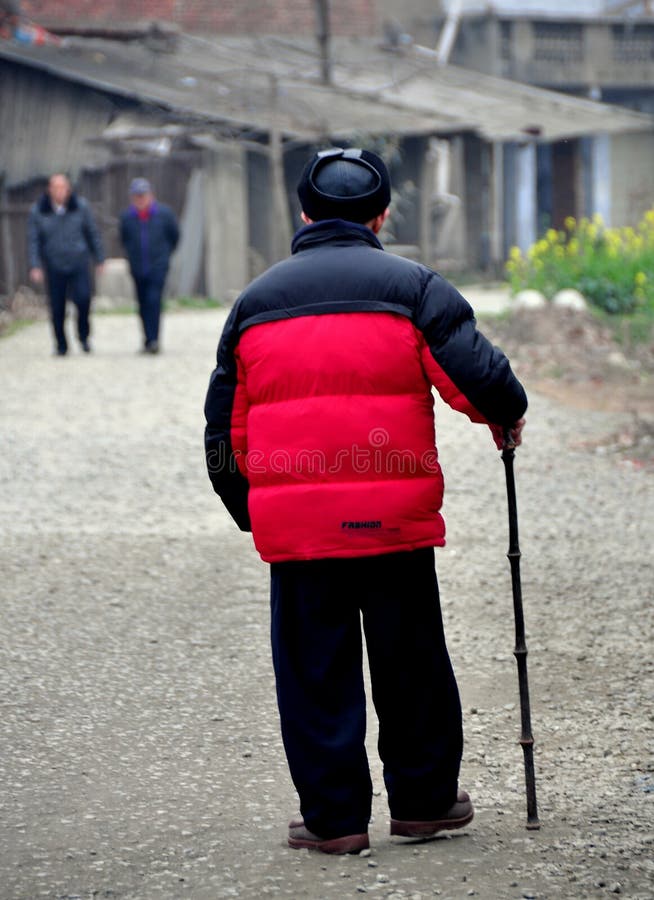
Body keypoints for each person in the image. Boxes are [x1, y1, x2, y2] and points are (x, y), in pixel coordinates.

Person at [204, 147, 527, 854]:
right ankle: (423, 803)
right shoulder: (414, 288)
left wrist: (259, 511)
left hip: (300, 534)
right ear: (381, 215)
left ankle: (334, 820)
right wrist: (507, 417)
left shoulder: (255, 304)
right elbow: (483, 383)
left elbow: (223, 436)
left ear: (304, 212)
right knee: (411, 663)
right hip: (394, 528)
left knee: (314, 673)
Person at [28, 173, 105, 356]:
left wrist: (99, 258)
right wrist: (35, 264)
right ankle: (61, 343)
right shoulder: (39, 210)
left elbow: (92, 233)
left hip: (78, 262)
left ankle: (84, 336)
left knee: (84, 299)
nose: (60, 191)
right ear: (49, 190)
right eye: (56, 187)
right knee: (57, 306)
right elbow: (33, 240)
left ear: (69, 189)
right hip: (54, 264)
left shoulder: (80, 207)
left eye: (63, 187)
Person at [119, 178, 179, 354]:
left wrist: (164, 256)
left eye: (143, 196)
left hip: (158, 267)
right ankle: (147, 338)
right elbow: (124, 240)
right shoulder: (127, 217)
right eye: (137, 196)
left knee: (154, 301)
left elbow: (174, 237)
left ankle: (154, 340)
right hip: (138, 268)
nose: (141, 200)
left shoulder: (164, 214)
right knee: (143, 303)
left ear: (151, 195)